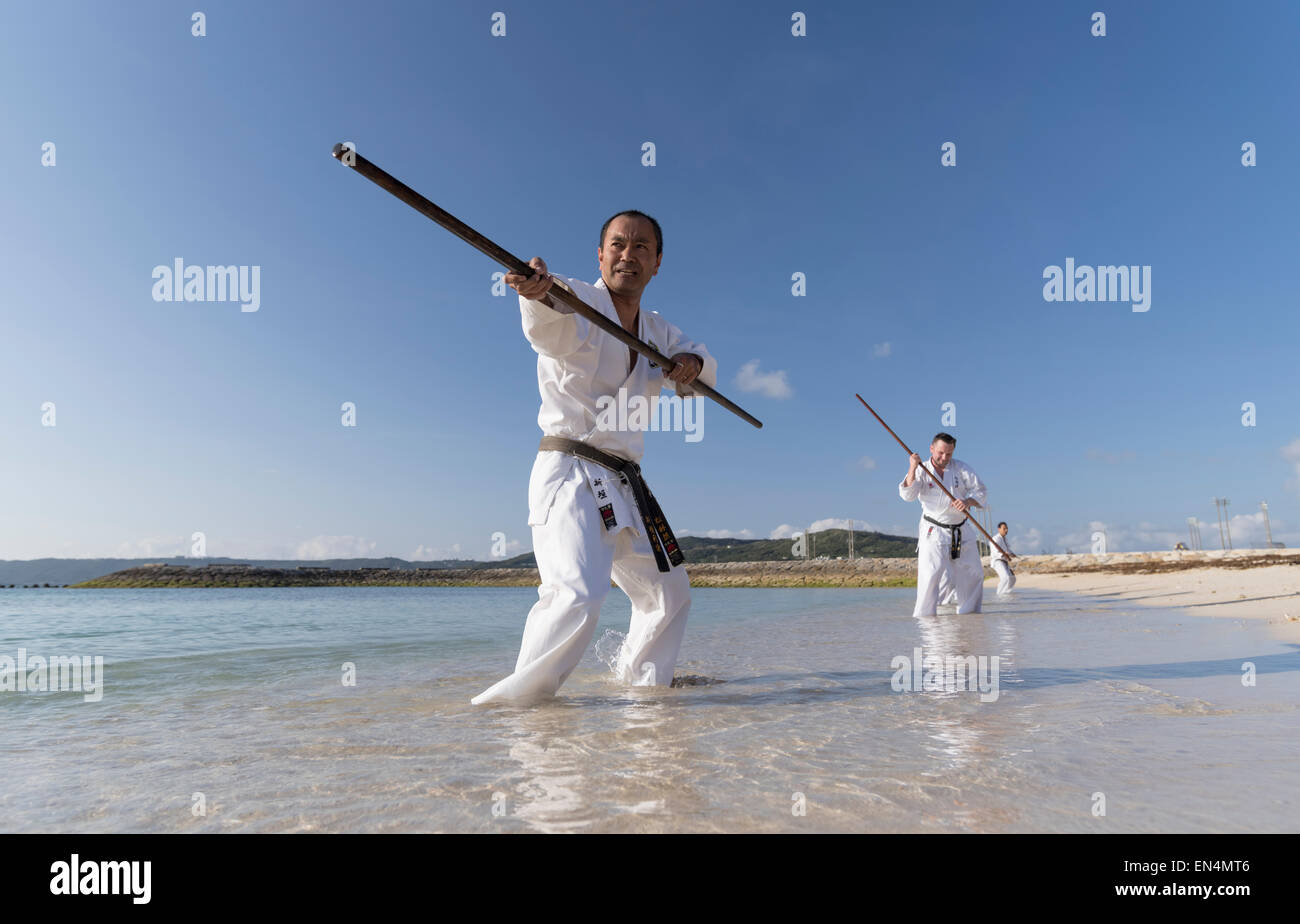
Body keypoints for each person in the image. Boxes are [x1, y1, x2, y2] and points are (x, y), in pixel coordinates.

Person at [471, 211, 717, 705]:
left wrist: (690, 366)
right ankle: (515, 711)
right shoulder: (576, 300)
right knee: (577, 594)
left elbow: (700, 371)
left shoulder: (658, 331)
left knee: (669, 592)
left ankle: (644, 689)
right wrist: (538, 293)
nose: (629, 254)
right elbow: (548, 327)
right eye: (618, 245)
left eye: (642, 247)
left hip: (625, 484)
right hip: (570, 472)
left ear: (658, 262)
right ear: (600, 255)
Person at [898, 433, 987, 618]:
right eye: (940, 453)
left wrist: (968, 502)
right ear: (931, 448)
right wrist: (912, 467)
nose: (944, 458)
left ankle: (970, 618)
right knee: (930, 575)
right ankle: (925, 621)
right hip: (934, 529)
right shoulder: (922, 469)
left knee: (974, 574)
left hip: (961, 528)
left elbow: (981, 492)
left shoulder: (961, 468)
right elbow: (908, 495)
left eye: (949, 454)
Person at [989, 521, 1016, 595]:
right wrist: (1004, 554)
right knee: (1005, 578)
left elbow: (1008, 550)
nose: (1006, 530)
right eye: (1004, 528)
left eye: (1006, 528)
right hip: (997, 561)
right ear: (999, 529)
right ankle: (999, 594)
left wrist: (1011, 554)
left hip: (1004, 561)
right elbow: (995, 553)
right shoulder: (995, 539)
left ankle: (1006, 592)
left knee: (1012, 579)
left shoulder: (1005, 539)